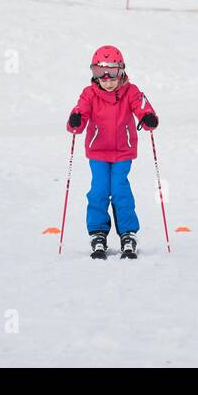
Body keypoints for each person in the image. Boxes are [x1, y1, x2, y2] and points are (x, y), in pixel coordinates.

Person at [65, 45, 158, 259]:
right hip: (98, 152)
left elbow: (143, 107)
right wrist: (76, 120)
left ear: (122, 71)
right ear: (94, 74)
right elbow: (79, 113)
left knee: (119, 190)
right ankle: (98, 232)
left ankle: (128, 233)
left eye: (113, 74)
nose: (107, 80)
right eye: (100, 74)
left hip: (123, 152)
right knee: (98, 190)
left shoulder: (131, 91)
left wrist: (148, 117)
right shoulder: (89, 94)